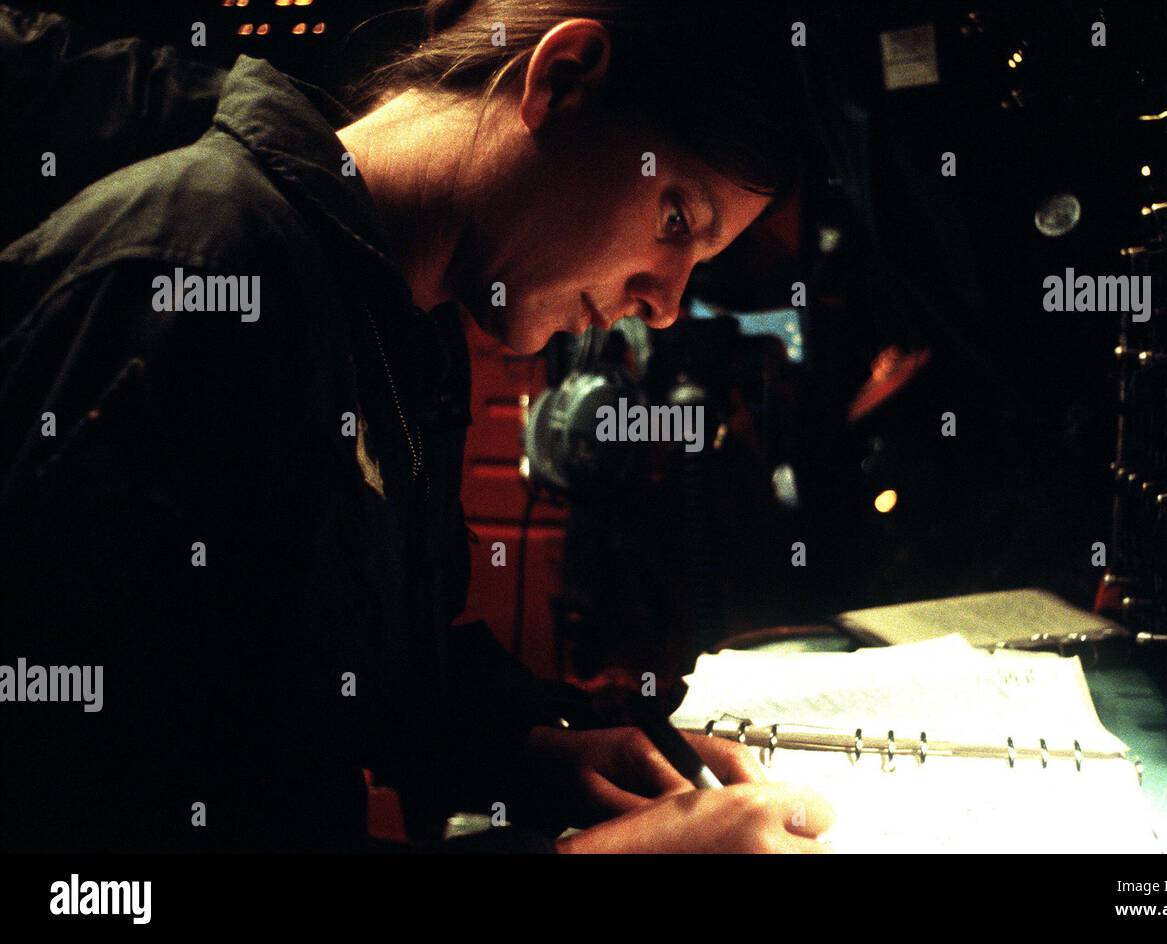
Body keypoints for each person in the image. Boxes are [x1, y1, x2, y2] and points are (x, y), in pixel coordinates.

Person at [0, 0, 832, 852]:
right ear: (563, 80)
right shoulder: (190, 283)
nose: (662, 306)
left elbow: (340, 676)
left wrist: (526, 746)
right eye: (676, 221)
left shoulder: (406, 313)